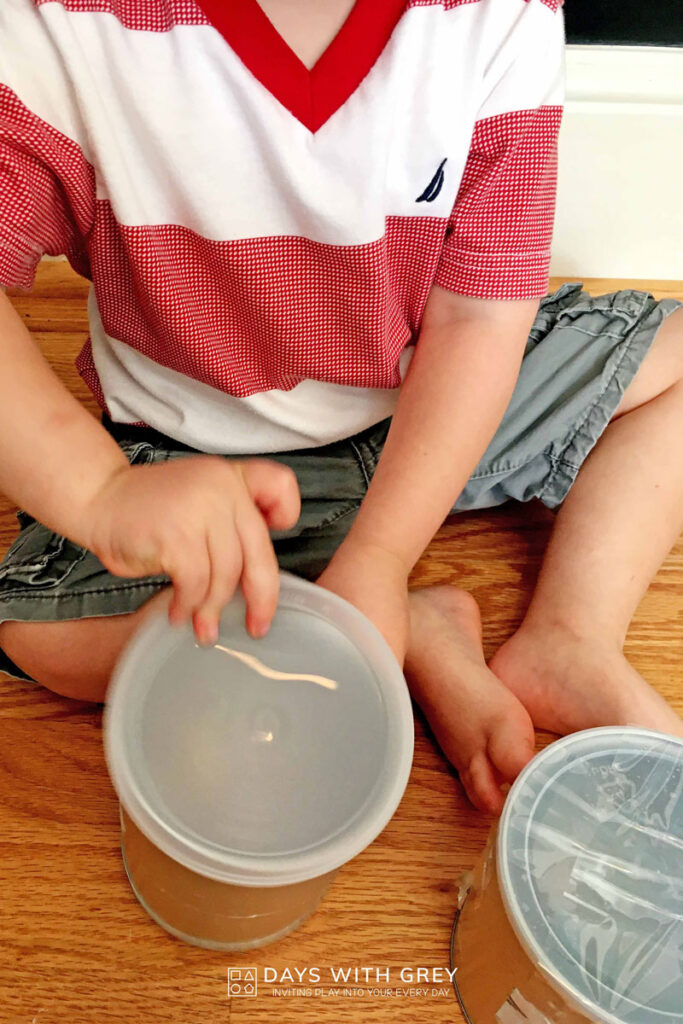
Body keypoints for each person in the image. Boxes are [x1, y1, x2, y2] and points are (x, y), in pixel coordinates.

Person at [0, 0, 681, 814]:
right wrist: (99, 493)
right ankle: (396, 629)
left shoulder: (497, 20)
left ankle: (570, 635)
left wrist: (384, 553)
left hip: (429, 407)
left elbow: (478, 318)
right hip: (194, 456)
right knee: (42, 635)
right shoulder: (63, 27)